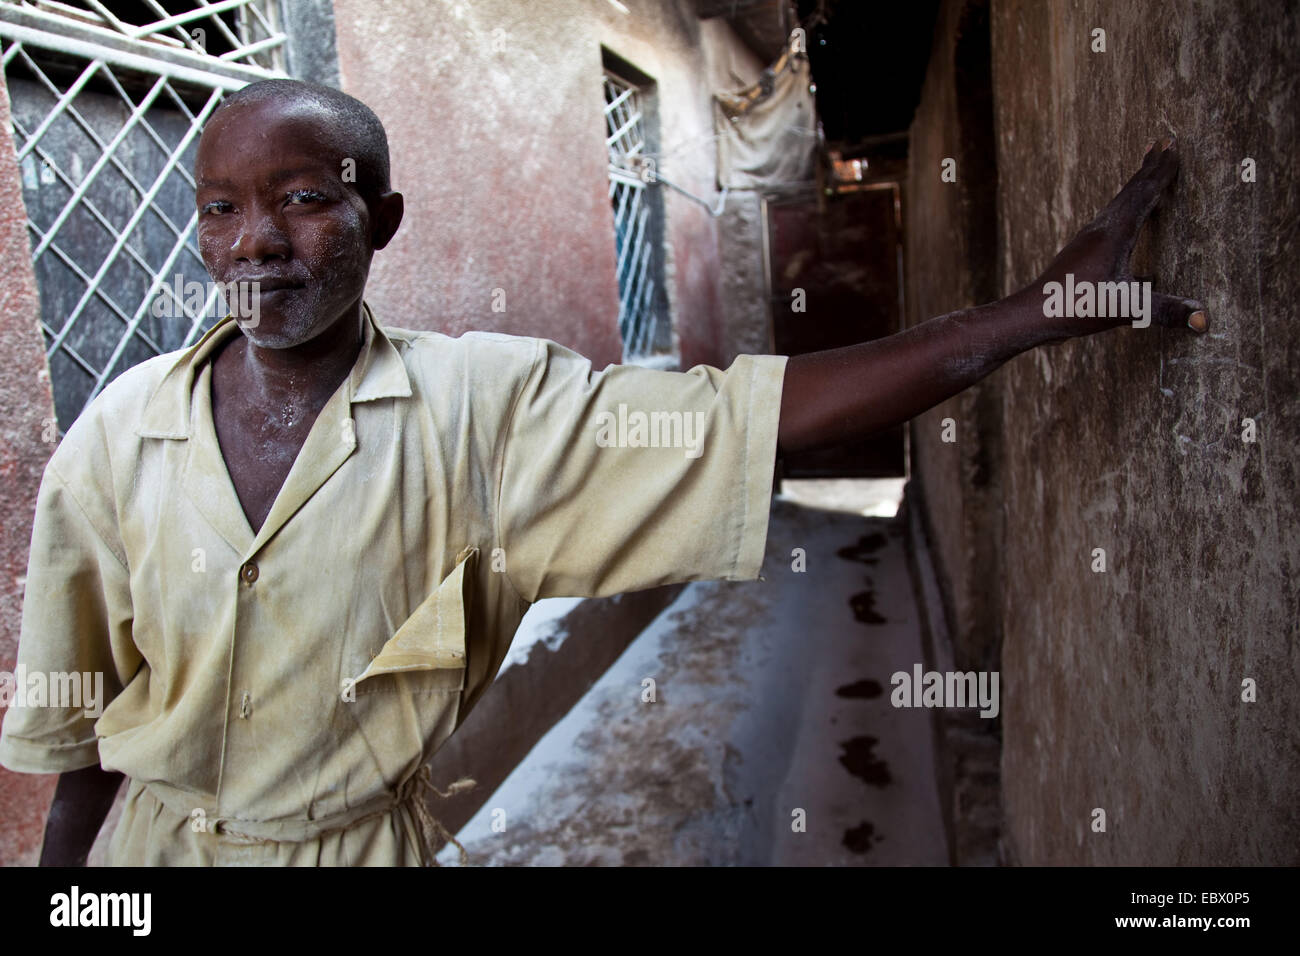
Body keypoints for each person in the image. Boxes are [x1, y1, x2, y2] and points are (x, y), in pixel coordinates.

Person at [0, 80, 1206, 866]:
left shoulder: (484, 408)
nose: (255, 241)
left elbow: (743, 418)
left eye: (306, 199)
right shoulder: (118, 435)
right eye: (221, 208)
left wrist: (1030, 312)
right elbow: (75, 744)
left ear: (387, 216)